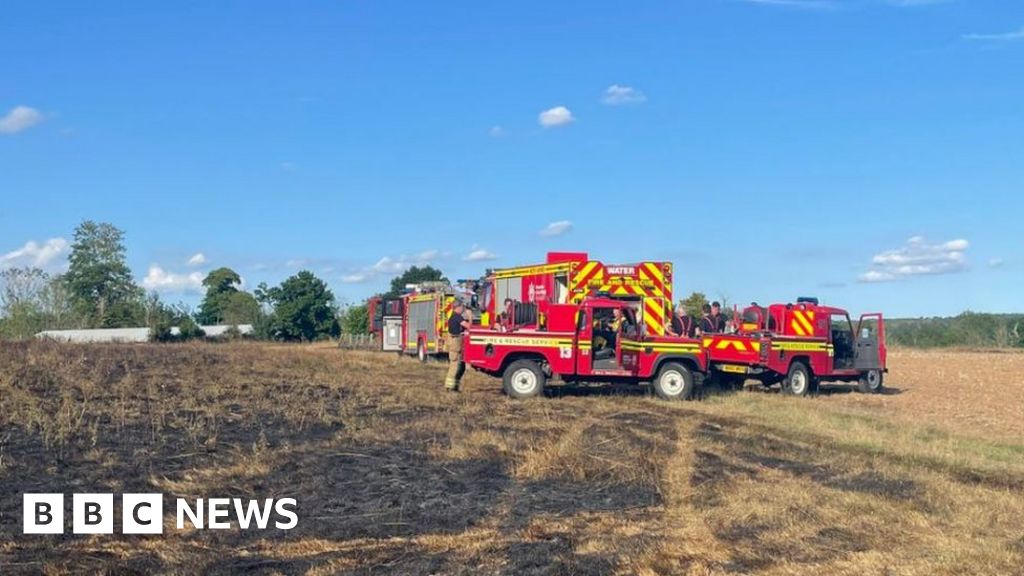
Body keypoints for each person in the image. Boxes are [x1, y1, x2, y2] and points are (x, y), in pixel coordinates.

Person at [444, 301, 471, 392]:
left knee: (461, 366)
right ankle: (449, 388)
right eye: (462, 307)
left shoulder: (454, 316)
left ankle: (454, 387)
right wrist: (470, 316)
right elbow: (468, 326)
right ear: (457, 307)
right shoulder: (457, 316)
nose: (463, 309)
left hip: (457, 346)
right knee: (454, 366)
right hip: (455, 346)